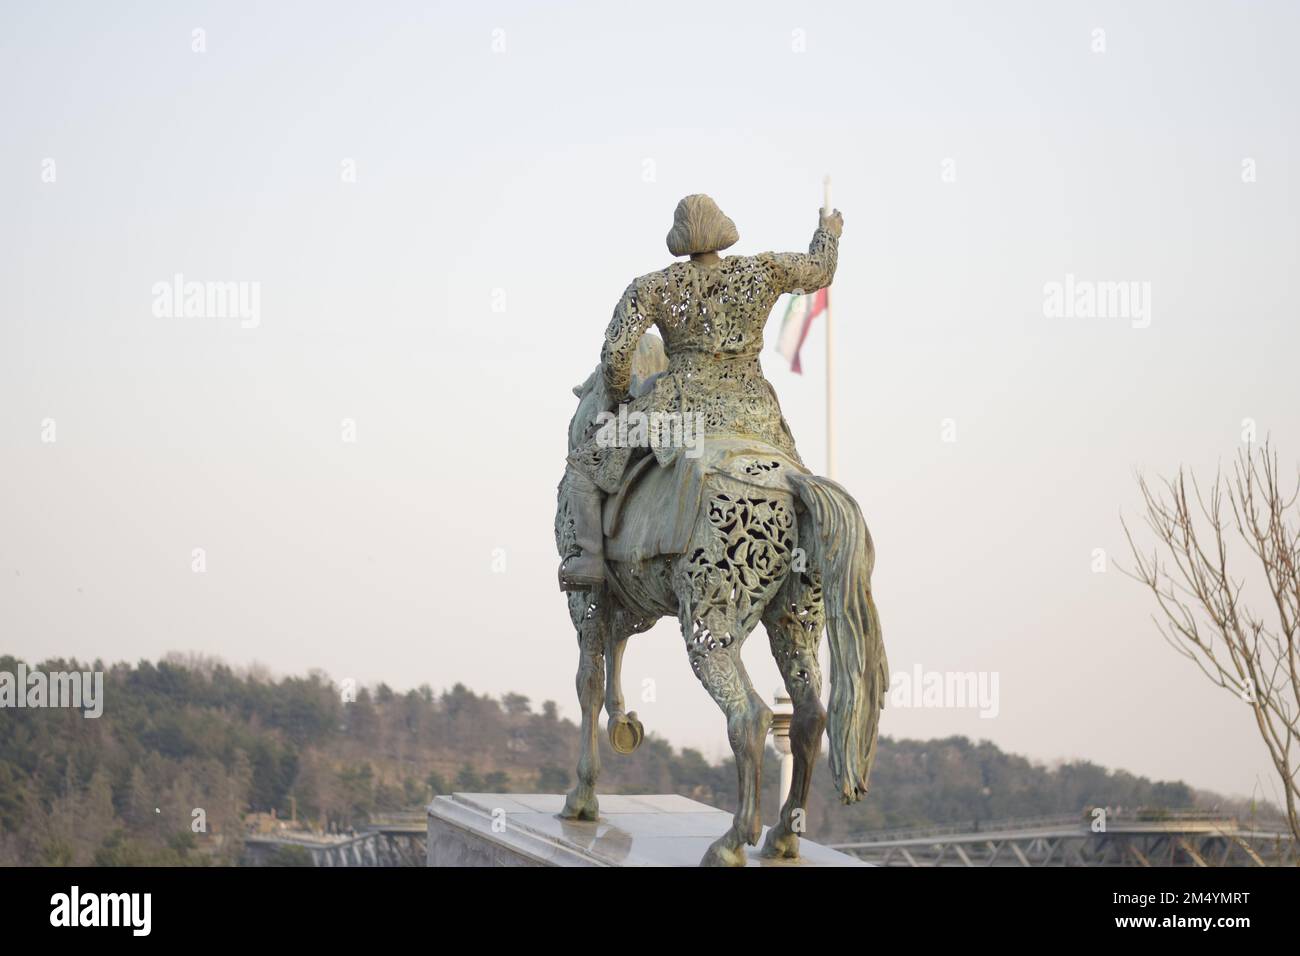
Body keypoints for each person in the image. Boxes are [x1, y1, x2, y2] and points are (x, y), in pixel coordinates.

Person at [558, 194, 842, 591]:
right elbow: (819, 270)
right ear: (722, 230)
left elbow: (616, 356)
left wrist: (622, 396)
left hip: (680, 416)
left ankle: (588, 559)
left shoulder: (655, 286)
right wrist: (828, 233)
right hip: (756, 416)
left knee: (584, 464)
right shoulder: (762, 270)